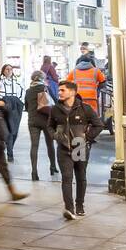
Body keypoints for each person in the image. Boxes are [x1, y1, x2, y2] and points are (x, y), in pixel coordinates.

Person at [47, 80, 103, 220]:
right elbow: (49, 126)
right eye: (59, 90)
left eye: (62, 90)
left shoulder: (85, 109)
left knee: (80, 177)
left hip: (80, 147)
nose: (59, 92)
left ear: (72, 92)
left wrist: (87, 138)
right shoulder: (55, 109)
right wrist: (55, 136)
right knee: (66, 178)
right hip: (63, 149)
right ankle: (69, 209)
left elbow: (98, 125)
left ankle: (80, 206)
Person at [24, 70, 58, 181]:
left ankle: (34, 172)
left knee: (34, 146)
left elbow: (26, 107)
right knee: (50, 144)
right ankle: (53, 167)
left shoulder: (28, 91)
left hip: (33, 121)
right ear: (42, 78)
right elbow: (55, 101)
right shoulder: (44, 88)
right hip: (46, 121)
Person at [0, 64, 25, 163]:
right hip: (4, 107)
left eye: (11, 69)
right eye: (7, 69)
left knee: (14, 131)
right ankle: (10, 153)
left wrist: (20, 103)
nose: (9, 71)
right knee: (8, 130)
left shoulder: (18, 81)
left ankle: (9, 147)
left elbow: (22, 93)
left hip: (16, 107)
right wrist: (3, 102)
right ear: (3, 70)